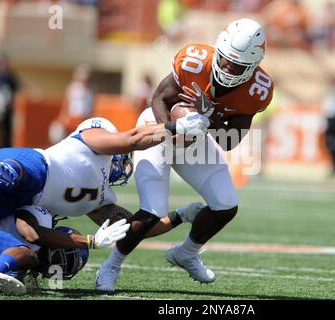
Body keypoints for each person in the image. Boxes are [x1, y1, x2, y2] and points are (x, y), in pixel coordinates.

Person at [95, 18, 274, 291]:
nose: (227, 67)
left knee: (226, 204)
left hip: (197, 137)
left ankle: (186, 253)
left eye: (236, 65)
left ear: (252, 66)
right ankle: (111, 265)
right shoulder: (195, 59)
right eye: (224, 59)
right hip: (160, 129)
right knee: (151, 211)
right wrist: (172, 130)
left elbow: (230, 141)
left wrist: (208, 114)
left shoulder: (257, 89)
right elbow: (159, 98)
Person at [0, 115, 209, 223]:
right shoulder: (99, 134)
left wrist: (181, 216)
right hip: (30, 167)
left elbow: (135, 227)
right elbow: (131, 140)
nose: (123, 167)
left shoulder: (103, 199)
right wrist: (176, 127)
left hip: (22, 202)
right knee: (21, 178)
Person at [0, 205, 129, 295]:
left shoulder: (21, 269)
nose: (59, 266)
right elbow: (27, 230)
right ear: (60, 242)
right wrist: (90, 241)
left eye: (66, 268)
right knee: (27, 254)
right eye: (63, 259)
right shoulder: (44, 218)